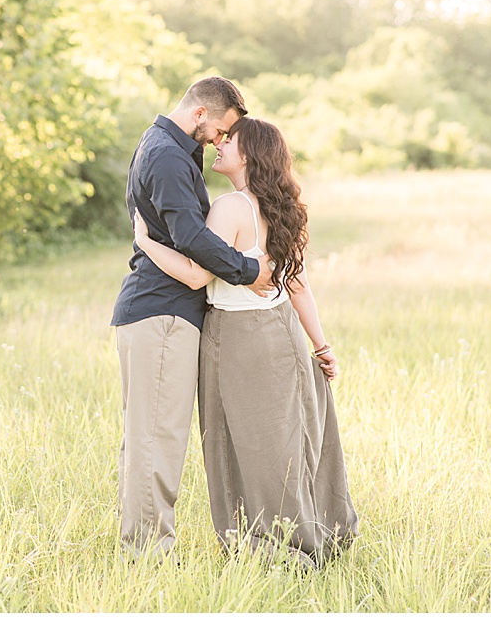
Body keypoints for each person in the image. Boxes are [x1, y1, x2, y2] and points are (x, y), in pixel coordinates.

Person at [133, 116, 358, 569]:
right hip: (283, 333)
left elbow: (198, 275)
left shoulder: (231, 207)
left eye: (229, 141)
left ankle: (269, 546)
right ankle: (315, 532)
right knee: (289, 441)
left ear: (249, 155)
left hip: (239, 340)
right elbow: (299, 287)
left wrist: (144, 241)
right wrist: (321, 346)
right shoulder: (283, 207)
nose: (219, 144)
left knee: (244, 446)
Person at [110, 76, 274, 560]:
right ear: (200, 113)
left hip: (165, 312)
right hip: (161, 313)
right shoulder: (165, 154)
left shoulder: (172, 147)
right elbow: (191, 237)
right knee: (157, 439)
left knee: (150, 436)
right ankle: (147, 558)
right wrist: (249, 270)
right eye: (222, 129)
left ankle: (144, 548)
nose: (223, 140)